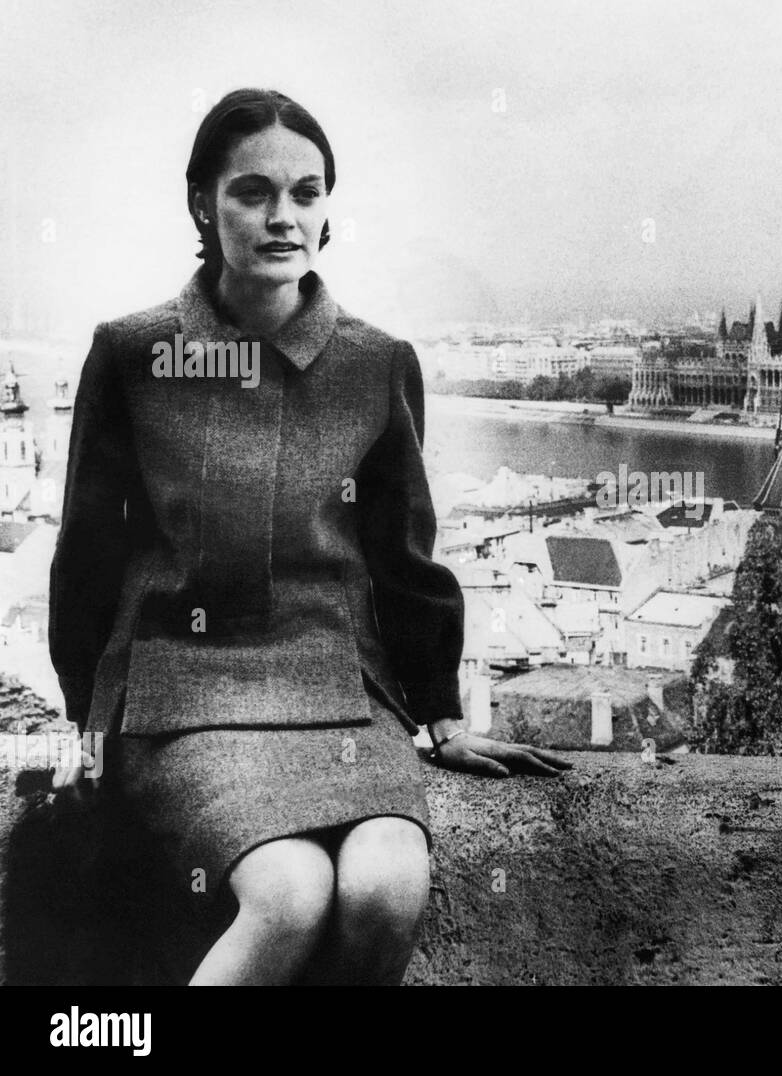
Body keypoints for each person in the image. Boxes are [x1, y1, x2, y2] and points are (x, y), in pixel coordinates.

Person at [47, 87, 570, 985]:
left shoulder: (377, 363)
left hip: (341, 693)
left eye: (308, 192)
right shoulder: (133, 354)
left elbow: (404, 556)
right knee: (288, 896)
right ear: (201, 204)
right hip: (184, 694)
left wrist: (441, 714)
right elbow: (90, 550)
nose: (284, 216)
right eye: (254, 192)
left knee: (385, 888)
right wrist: (82, 714)